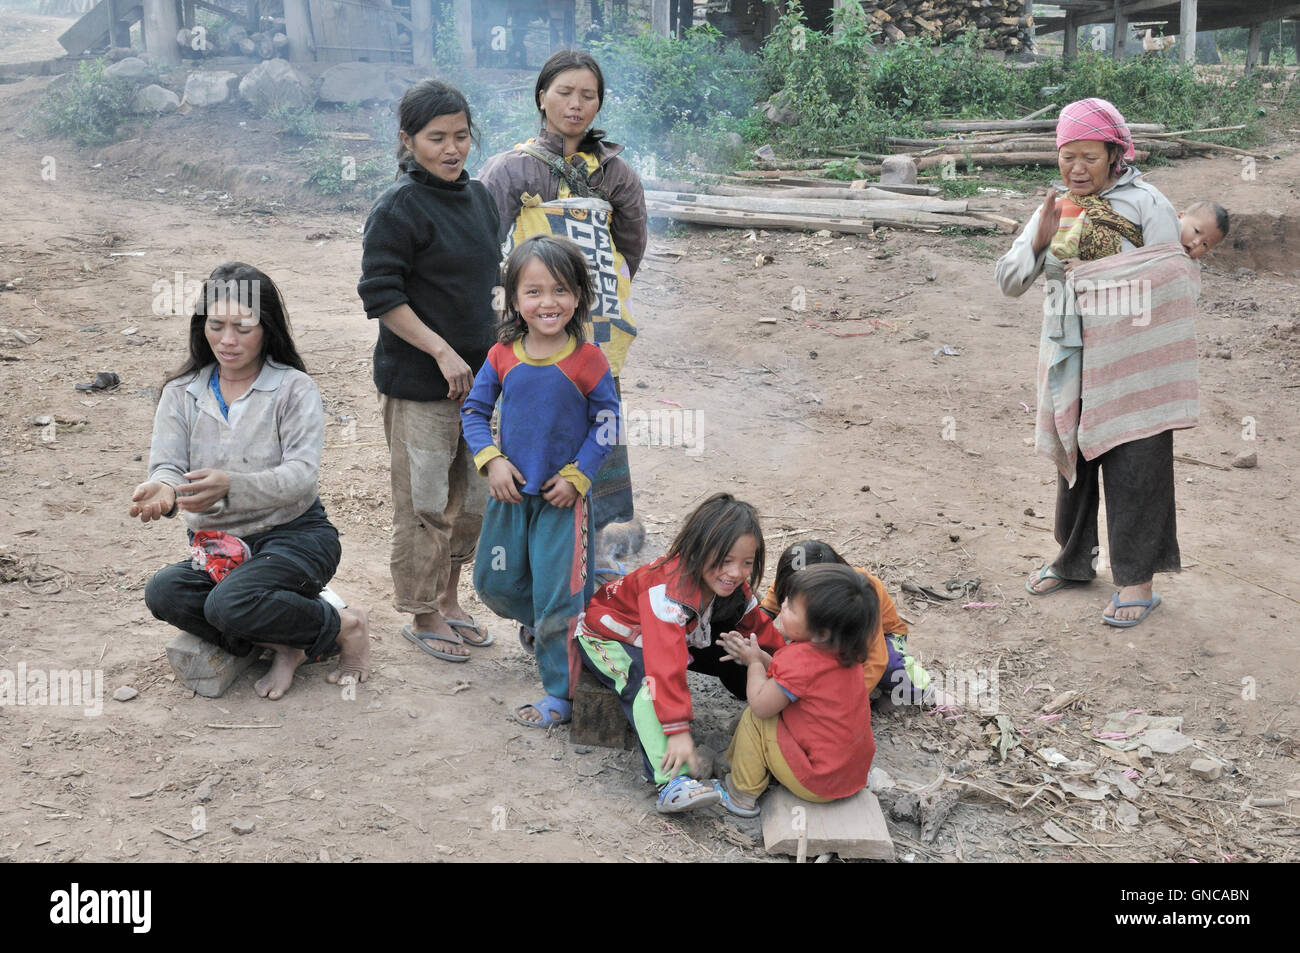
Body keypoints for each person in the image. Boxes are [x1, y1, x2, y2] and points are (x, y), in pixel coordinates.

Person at [996, 97, 1193, 628]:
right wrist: (1036, 243)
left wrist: (1097, 285)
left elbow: (1170, 281)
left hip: (1133, 360)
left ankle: (1137, 581)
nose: (1076, 169)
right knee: (1074, 463)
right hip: (1070, 354)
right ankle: (1073, 560)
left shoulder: (1148, 204)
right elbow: (1010, 284)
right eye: (1066, 157)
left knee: (1137, 463)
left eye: (1088, 157)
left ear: (1115, 153)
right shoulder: (1054, 208)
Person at [131, 263, 370, 700]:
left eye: (243, 327)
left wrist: (231, 485)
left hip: (295, 536)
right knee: (164, 592)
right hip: (221, 548)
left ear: (268, 328)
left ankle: (342, 627)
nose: (227, 340)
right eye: (216, 325)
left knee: (229, 603)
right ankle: (284, 642)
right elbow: (167, 465)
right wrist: (163, 492)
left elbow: (300, 477)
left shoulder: (293, 389)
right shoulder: (181, 391)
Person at [358, 79, 502, 662]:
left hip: (480, 384)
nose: (452, 149)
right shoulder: (398, 207)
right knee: (424, 502)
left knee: (471, 501)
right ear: (408, 140)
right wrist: (441, 351)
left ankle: (448, 598)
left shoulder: (481, 198)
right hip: (420, 383)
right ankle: (420, 612)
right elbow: (380, 293)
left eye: (461, 136)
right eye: (436, 137)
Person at [476, 49, 647, 533]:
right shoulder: (510, 170)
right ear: (541, 96)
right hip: (532, 326)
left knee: (598, 417)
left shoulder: (615, 173)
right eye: (565, 92)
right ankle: (531, 536)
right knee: (536, 417)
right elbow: (483, 247)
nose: (576, 104)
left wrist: (592, 298)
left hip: (593, 331)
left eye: (588, 95)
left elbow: (629, 250)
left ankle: (593, 544)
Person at [461, 235, 620, 728]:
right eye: (533, 291)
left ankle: (560, 692)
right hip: (510, 495)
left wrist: (578, 476)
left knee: (560, 602)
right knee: (493, 582)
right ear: (513, 299)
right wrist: (491, 460)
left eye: (560, 290)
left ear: (578, 297)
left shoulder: (588, 360)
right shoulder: (502, 355)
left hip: (561, 502)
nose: (548, 302)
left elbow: (608, 422)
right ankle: (550, 621)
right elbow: (474, 410)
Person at [575, 493, 786, 813]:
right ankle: (670, 781)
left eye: (746, 562)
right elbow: (663, 663)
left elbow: (763, 633)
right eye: (726, 560)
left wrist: (790, 672)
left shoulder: (733, 591)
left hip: (672, 637)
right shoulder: (667, 591)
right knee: (646, 683)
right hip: (611, 635)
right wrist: (676, 731)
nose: (736, 573)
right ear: (698, 549)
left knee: (745, 644)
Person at [715, 564, 877, 816]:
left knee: (756, 718)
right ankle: (731, 762)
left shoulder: (800, 660)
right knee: (766, 713)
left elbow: (761, 704)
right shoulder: (846, 653)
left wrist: (754, 662)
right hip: (848, 775)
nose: (783, 605)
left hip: (817, 782)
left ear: (822, 631)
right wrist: (758, 655)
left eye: (791, 607)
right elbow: (792, 682)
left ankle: (741, 795)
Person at [760, 540, 932, 705]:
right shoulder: (797, 576)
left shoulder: (863, 595)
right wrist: (759, 621)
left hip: (880, 636)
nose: (784, 603)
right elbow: (774, 597)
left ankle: (924, 689)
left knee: (889, 667)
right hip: (829, 630)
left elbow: (876, 659)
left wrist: (848, 699)